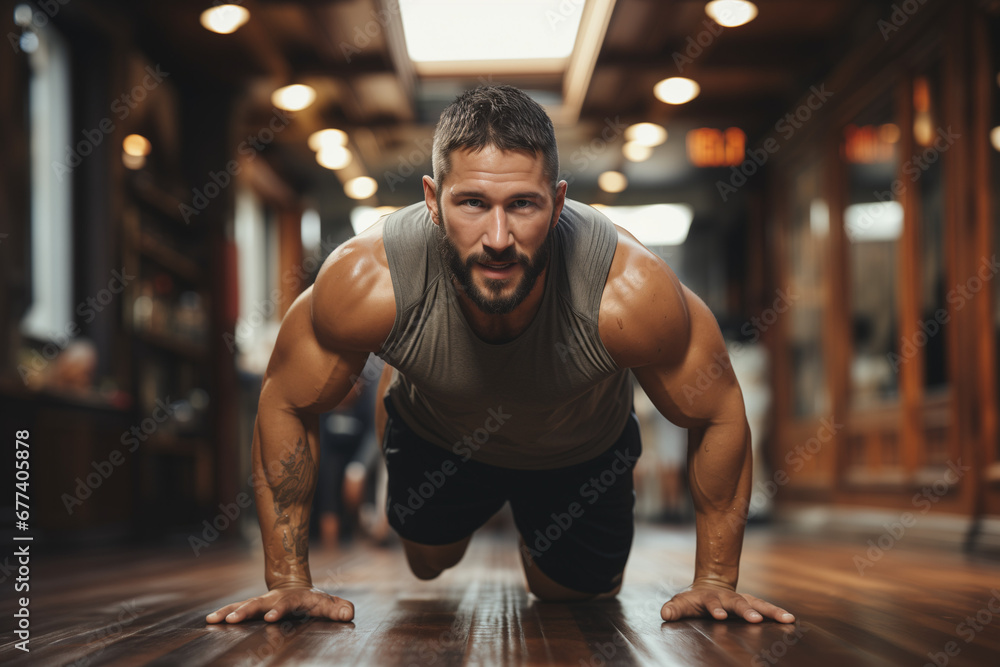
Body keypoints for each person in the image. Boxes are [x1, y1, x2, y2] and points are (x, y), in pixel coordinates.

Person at [206, 85, 795, 626]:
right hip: (439, 433)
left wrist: (716, 579)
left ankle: (540, 529)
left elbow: (717, 408)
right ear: (432, 200)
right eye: (471, 203)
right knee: (428, 561)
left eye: (522, 205)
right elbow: (284, 399)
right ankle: (403, 387)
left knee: (566, 595)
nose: (496, 238)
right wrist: (287, 580)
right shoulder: (368, 282)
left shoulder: (630, 292)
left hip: (579, 449)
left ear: (558, 203)